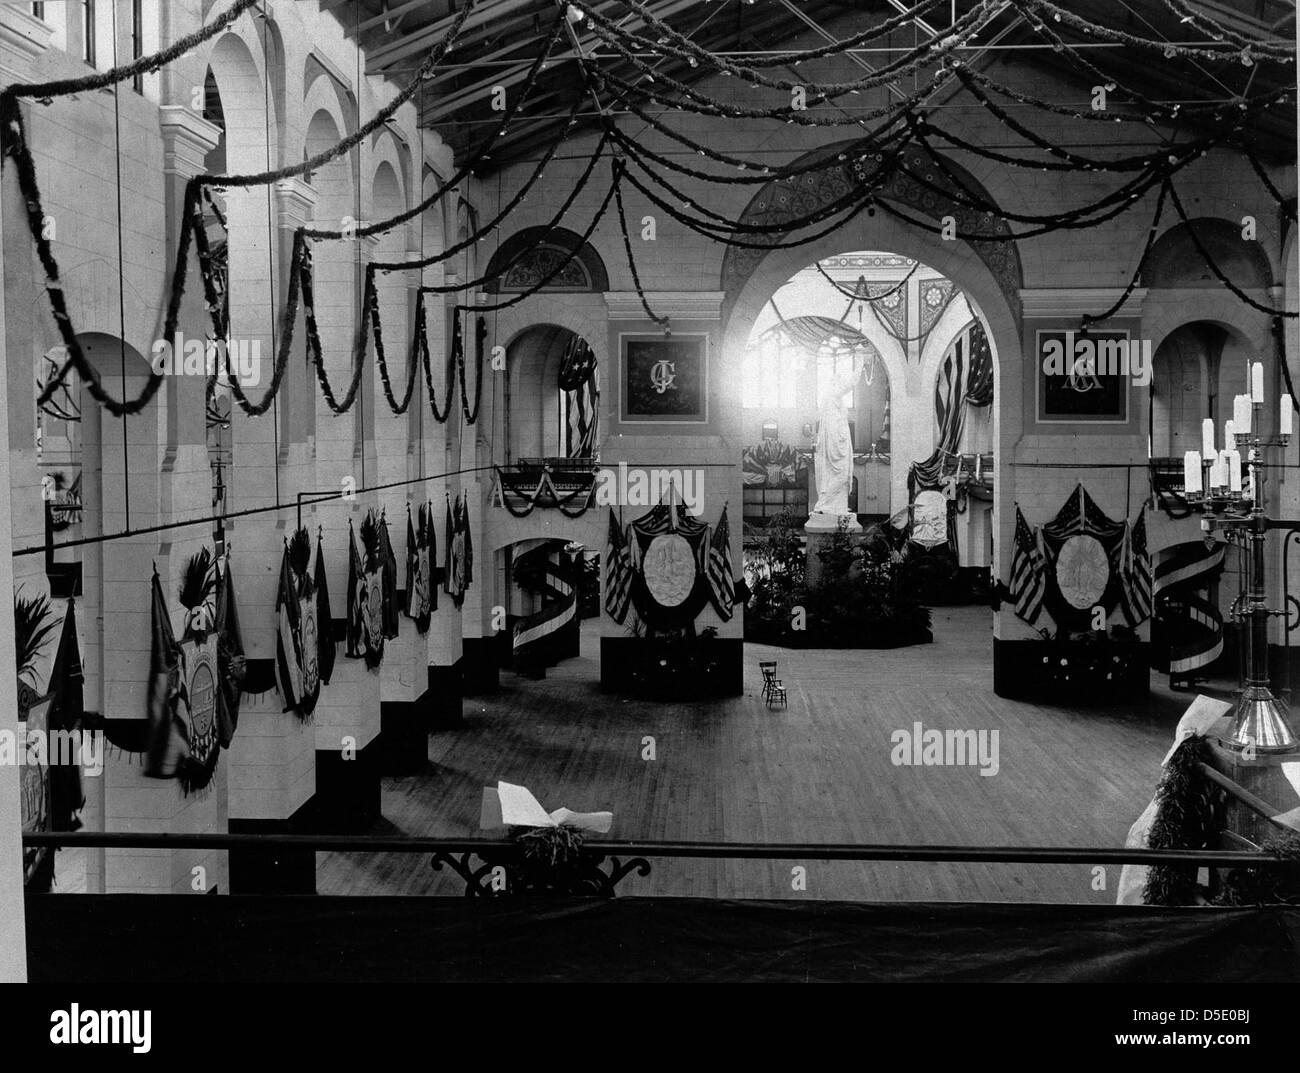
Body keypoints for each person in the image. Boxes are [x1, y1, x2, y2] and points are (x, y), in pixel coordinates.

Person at [811, 342, 864, 518]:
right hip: (835, 442)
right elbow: (853, 382)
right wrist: (860, 358)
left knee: (840, 476)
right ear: (835, 383)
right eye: (839, 381)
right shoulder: (832, 394)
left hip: (838, 438)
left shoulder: (831, 398)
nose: (841, 383)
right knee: (840, 475)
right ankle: (824, 503)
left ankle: (831, 504)